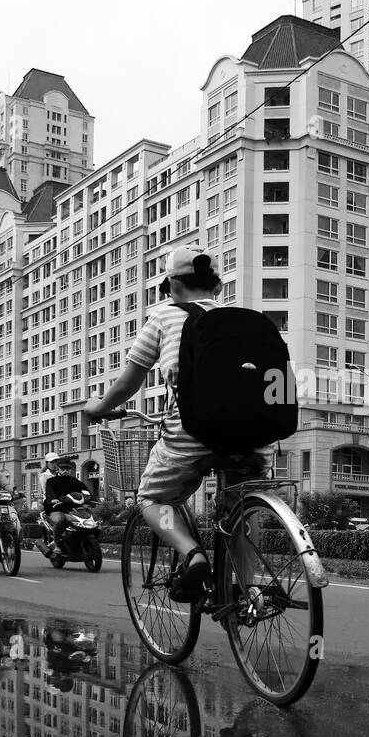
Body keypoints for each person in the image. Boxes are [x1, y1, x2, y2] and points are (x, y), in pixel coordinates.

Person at [83, 245, 271, 601]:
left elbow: (128, 383)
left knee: (151, 499)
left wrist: (98, 408)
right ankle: (248, 591)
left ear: (171, 284)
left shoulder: (164, 317)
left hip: (193, 432)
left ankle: (192, 553)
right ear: (217, 287)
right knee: (242, 509)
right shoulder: (242, 320)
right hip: (253, 432)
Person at [40, 454, 91, 556]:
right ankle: (57, 543)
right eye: (63, 468)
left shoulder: (74, 480)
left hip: (71, 507)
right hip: (55, 507)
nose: (65, 471)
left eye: (68, 468)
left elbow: (85, 490)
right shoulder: (51, 481)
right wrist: (54, 500)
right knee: (61, 520)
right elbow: (49, 494)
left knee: (87, 517)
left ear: (71, 470)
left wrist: (90, 497)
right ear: (58, 469)